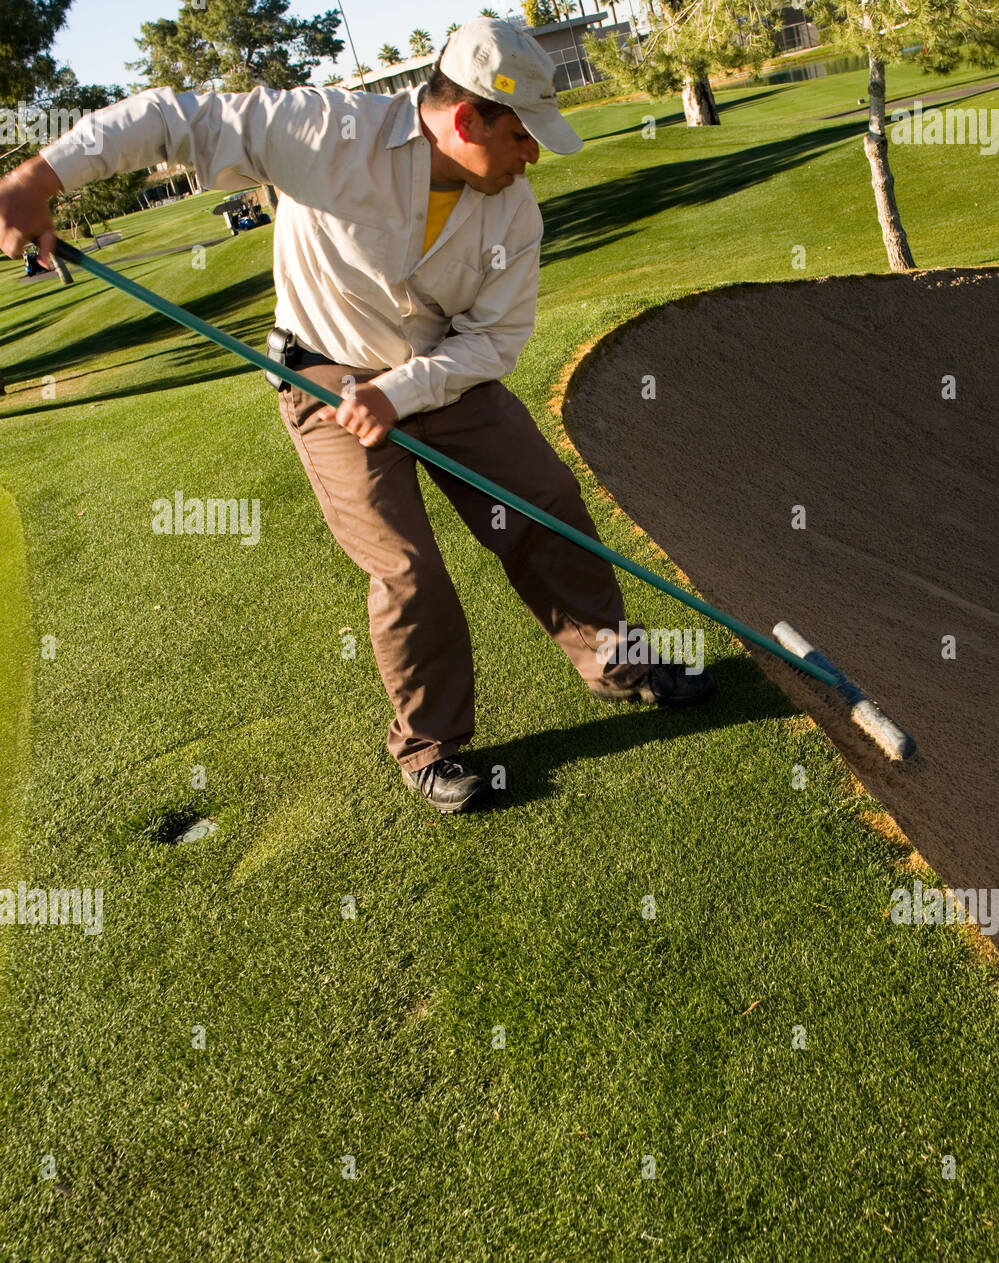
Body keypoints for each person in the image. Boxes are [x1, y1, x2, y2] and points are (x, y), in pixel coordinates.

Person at [0, 18, 714, 815]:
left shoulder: (515, 210)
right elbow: (176, 118)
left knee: (544, 501)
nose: (533, 156)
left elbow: (496, 343)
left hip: (444, 373)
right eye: (521, 134)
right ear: (466, 118)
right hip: (323, 373)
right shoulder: (328, 131)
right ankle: (430, 746)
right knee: (407, 570)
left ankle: (617, 665)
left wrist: (400, 393)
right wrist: (43, 173)